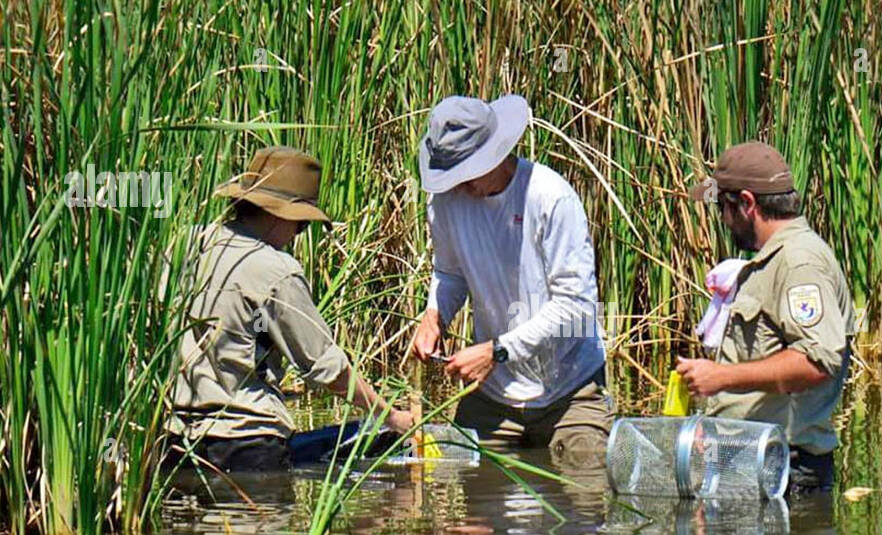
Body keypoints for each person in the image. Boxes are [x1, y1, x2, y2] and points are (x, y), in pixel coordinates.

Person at [167, 146, 412, 473]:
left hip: (174, 442)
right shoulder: (275, 270)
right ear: (280, 214)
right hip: (247, 445)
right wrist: (392, 417)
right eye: (301, 225)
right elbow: (328, 369)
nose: (297, 235)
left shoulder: (184, 246)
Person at [409, 95, 613, 467]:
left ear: (496, 153)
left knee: (586, 495)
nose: (458, 186)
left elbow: (576, 307)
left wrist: (497, 351)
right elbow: (449, 272)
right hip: (493, 395)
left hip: (569, 389)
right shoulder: (445, 202)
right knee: (474, 496)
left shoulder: (550, 197)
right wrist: (434, 314)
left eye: (465, 173)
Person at [676, 141, 854, 494]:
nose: (722, 220)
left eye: (722, 208)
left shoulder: (799, 262)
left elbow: (818, 361)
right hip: (750, 461)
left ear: (746, 203)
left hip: (784, 469)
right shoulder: (771, 260)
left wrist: (722, 377)